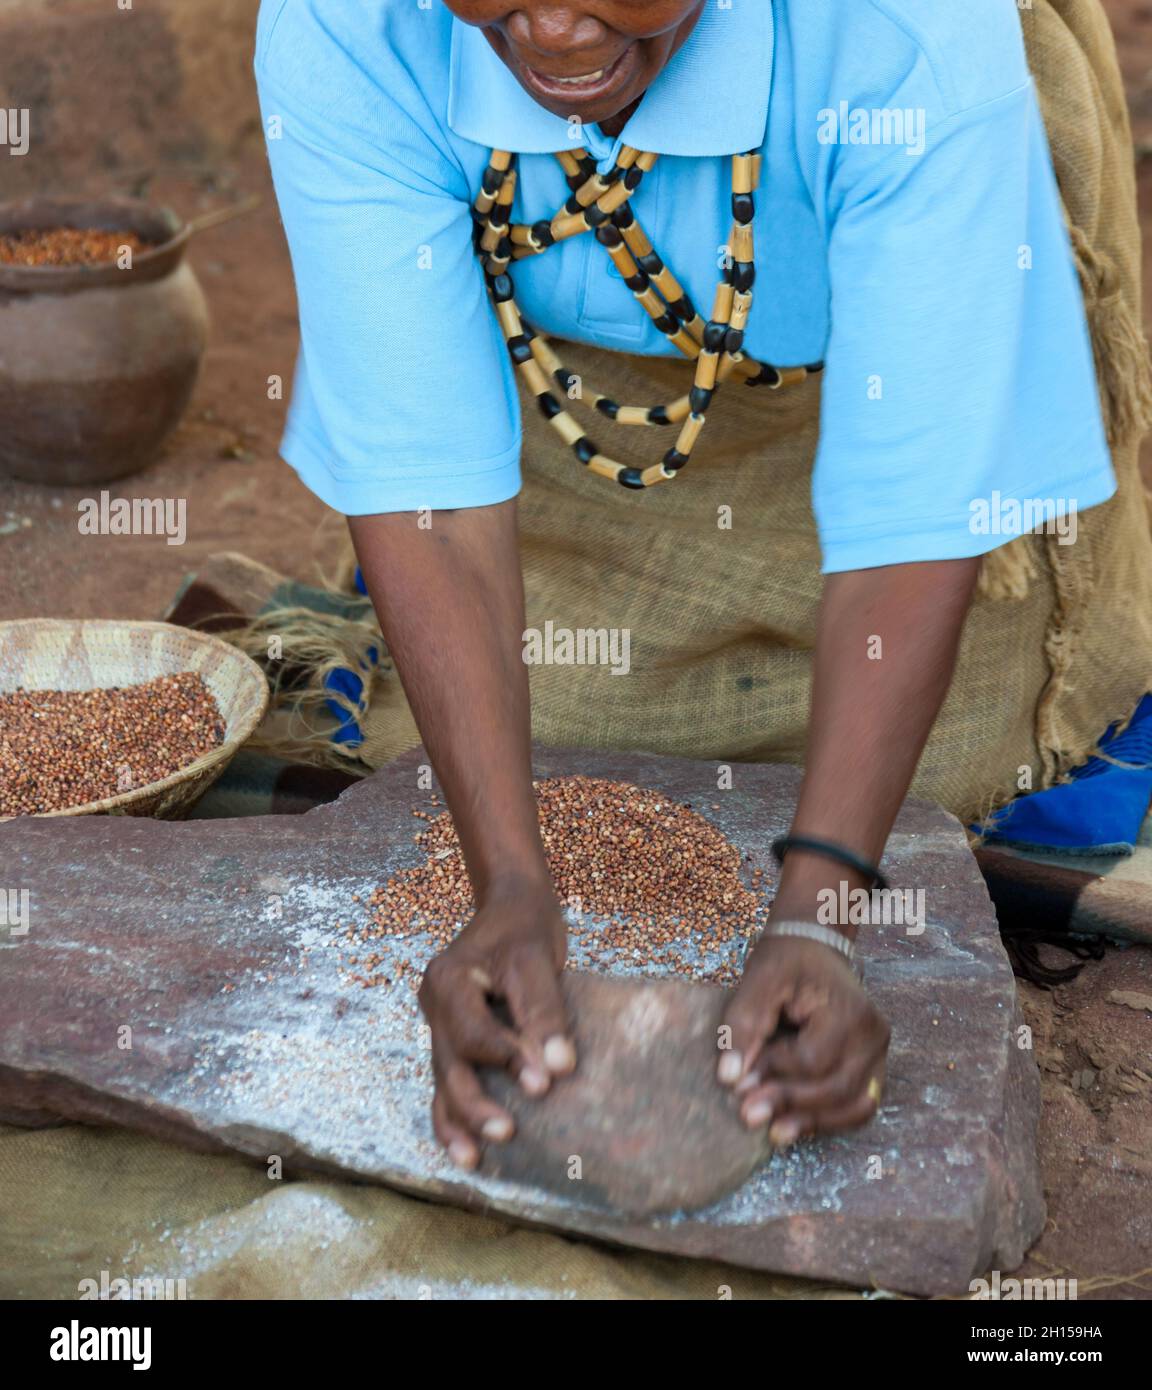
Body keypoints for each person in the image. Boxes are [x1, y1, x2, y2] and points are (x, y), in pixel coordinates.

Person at [255, 0, 1152, 1169]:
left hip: (885, 342)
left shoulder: (907, 38)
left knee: (954, 763)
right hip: (592, 388)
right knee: (548, 735)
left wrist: (820, 916)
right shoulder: (350, 23)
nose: (557, 30)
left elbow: (917, 509)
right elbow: (428, 492)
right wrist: (510, 886)